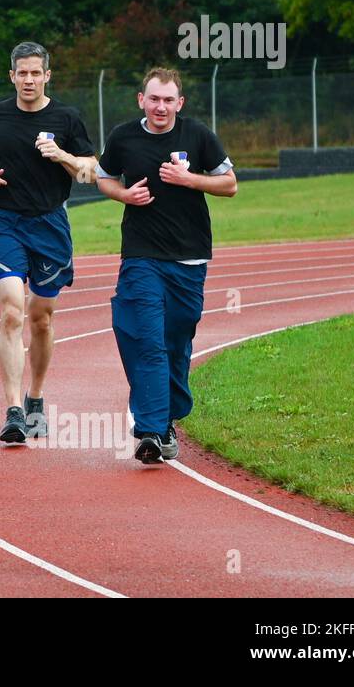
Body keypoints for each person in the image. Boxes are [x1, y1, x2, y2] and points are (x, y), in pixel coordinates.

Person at [95, 67, 237, 464]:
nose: (161, 106)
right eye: (154, 99)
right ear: (141, 100)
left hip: (190, 257)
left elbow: (230, 184)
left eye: (168, 100)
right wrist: (125, 195)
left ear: (180, 103)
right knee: (148, 340)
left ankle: (166, 416)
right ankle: (152, 431)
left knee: (177, 340)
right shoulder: (124, 136)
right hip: (142, 256)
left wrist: (189, 179)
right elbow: (103, 178)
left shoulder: (197, 135)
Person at [0, 42, 98, 445]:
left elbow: (89, 171)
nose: (28, 79)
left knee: (41, 317)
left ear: (47, 76)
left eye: (35, 73)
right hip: (3, 221)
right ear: (12, 76)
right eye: (21, 73)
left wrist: (60, 154)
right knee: (12, 310)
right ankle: (12, 411)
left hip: (50, 225)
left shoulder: (67, 118)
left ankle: (36, 398)